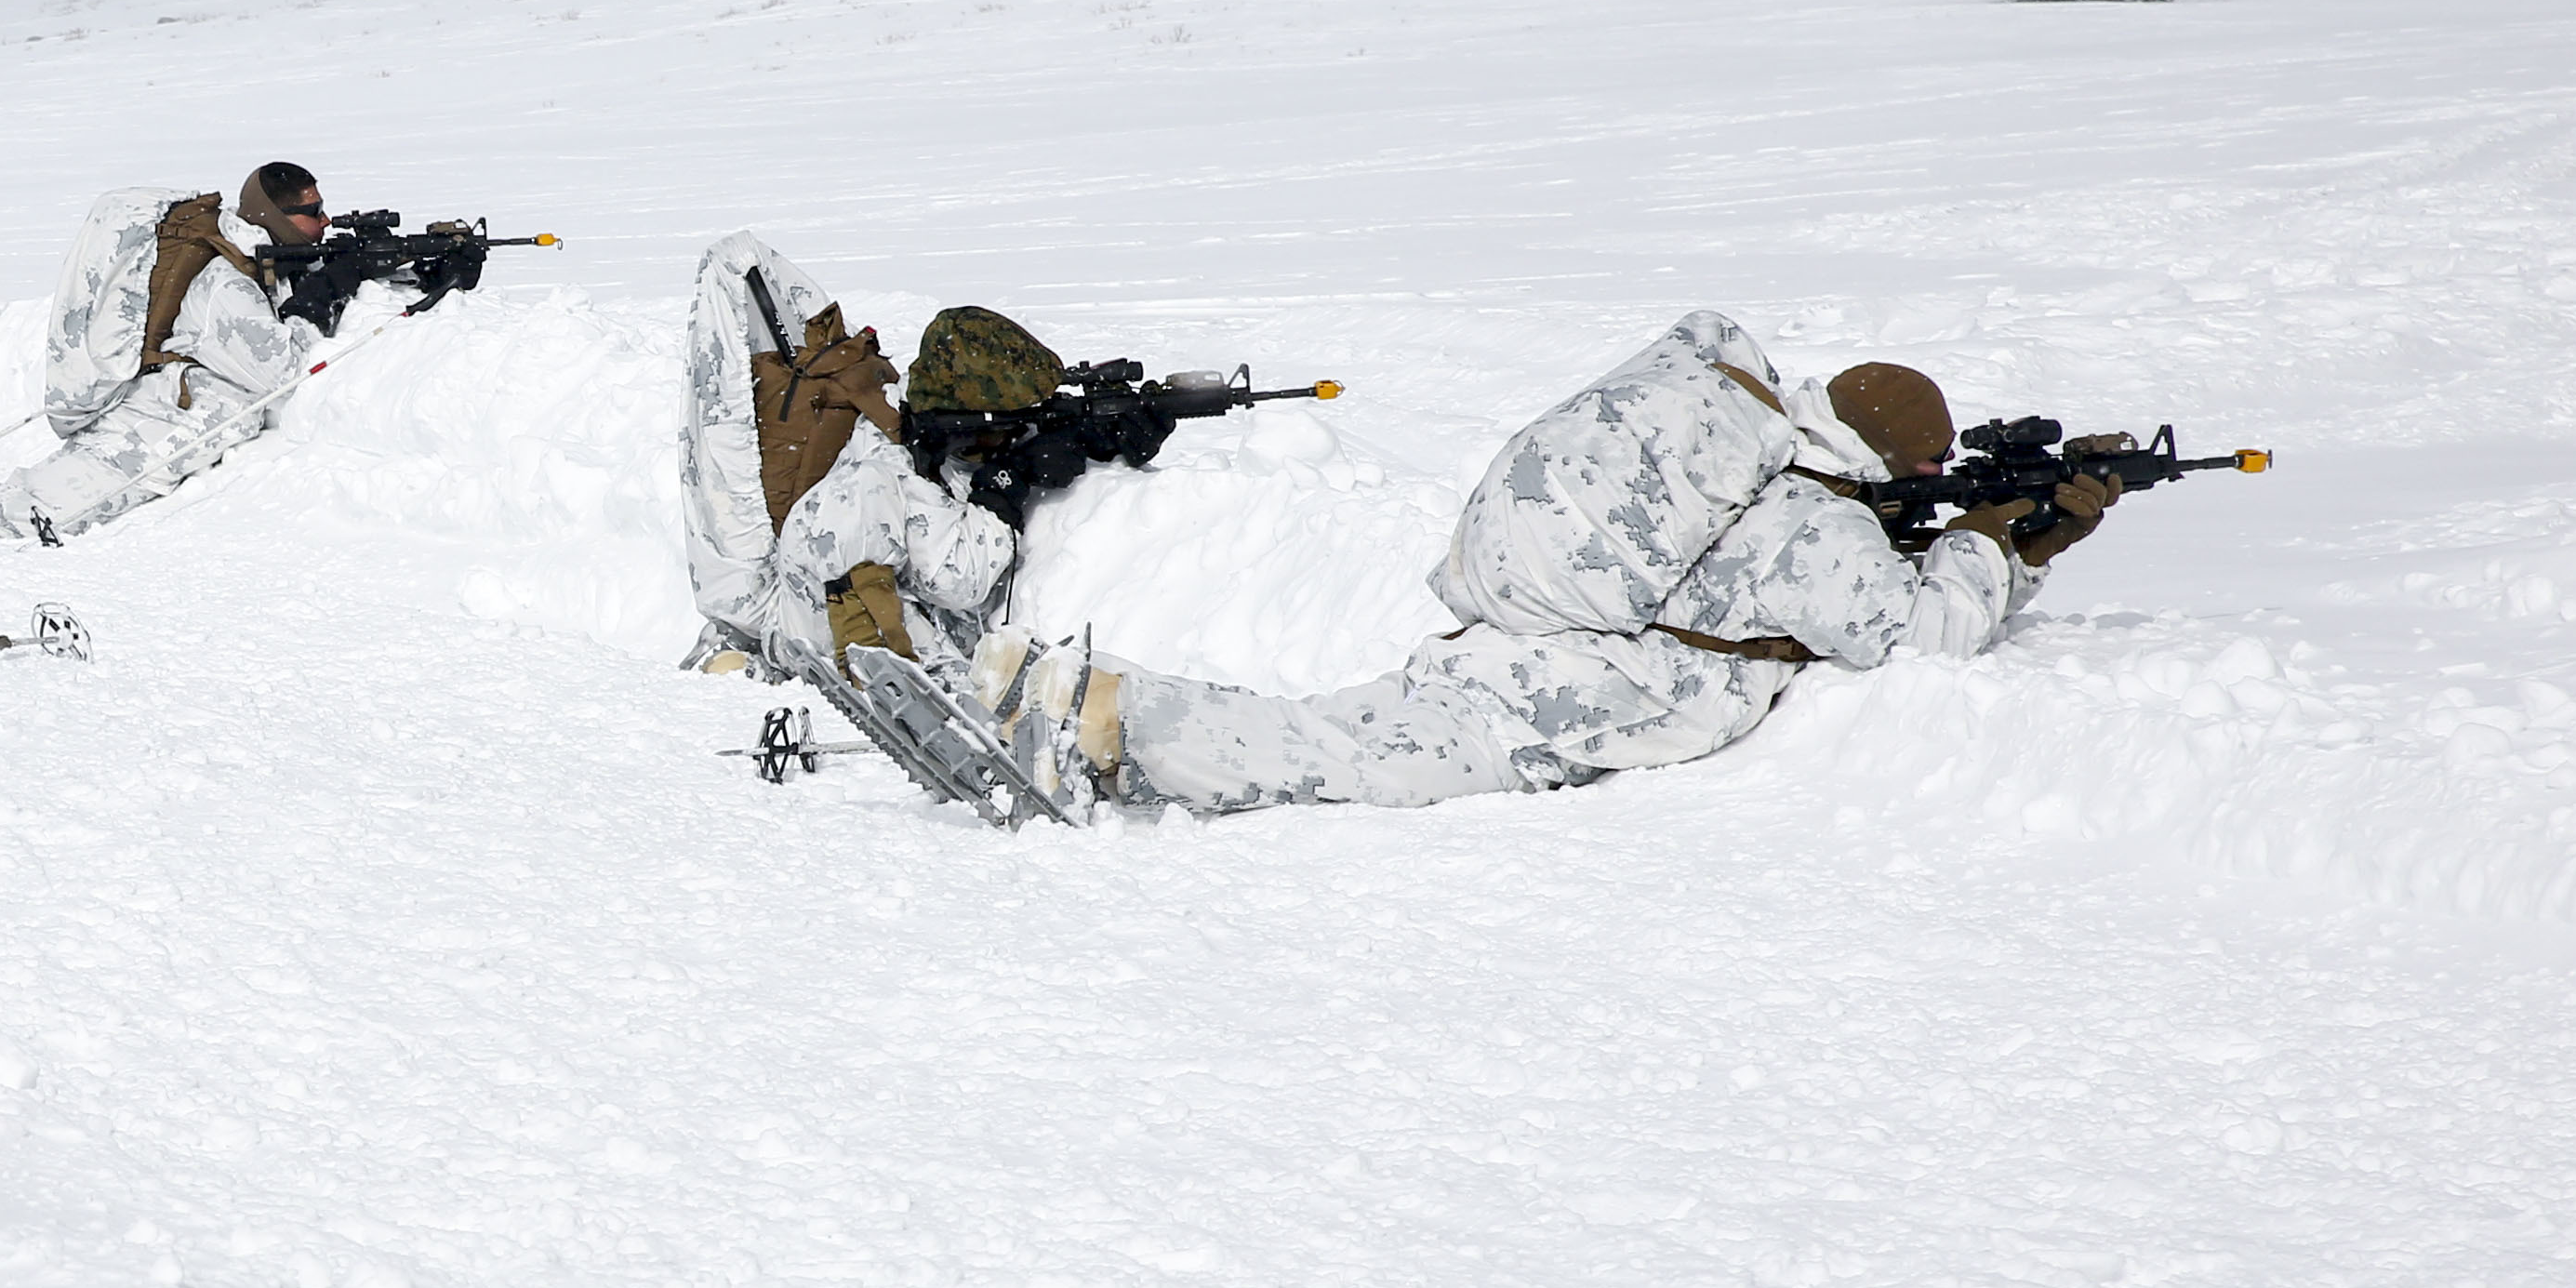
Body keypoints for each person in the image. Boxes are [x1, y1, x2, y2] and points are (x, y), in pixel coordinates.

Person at [975, 316, 2112, 820]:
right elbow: (1922, 634)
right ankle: (1103, 725)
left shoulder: (1752, 466)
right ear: (1894, 456)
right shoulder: (1817, 525)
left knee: (1335, 731)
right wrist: (2000, 545)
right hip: (1577, 697)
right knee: (1330, 763)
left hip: (1524, 649)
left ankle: (1083, 699)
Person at [0, 162, 328, 541]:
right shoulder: (228, 285)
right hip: (165, 420)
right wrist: (317, 308)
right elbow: (279, 371)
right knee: (32, 516)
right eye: (313, 213)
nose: (325, 222)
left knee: (27, 502)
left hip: (164, 410)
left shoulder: (245, 260)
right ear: (271, 219)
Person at [679, 234, 1030, 676]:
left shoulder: (879, 420)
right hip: (808, 621)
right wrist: (1003, 497)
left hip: (772, 602)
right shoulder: (890, 460)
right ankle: (879, 665)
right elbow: (958, 580)